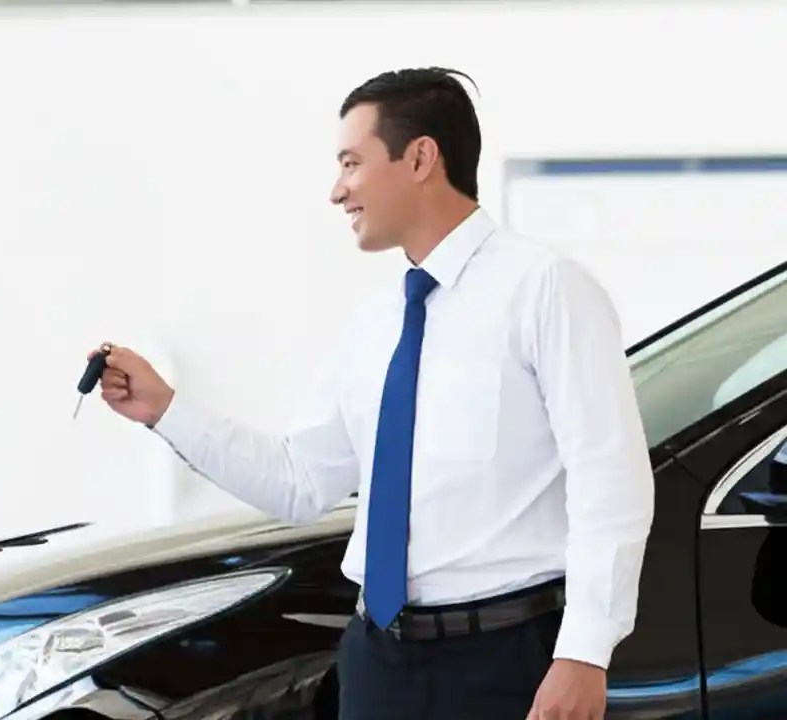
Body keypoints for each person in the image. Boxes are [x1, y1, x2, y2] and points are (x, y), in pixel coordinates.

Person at [91, 67, 654, 719]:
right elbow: (300, 482)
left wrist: (584, 653)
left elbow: (609, 479)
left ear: (419, 158)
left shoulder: (546, 289)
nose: (338, 191)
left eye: (351, 163)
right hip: (377, 664)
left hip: (503, 662)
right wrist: (166, 410)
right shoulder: (377, 321)